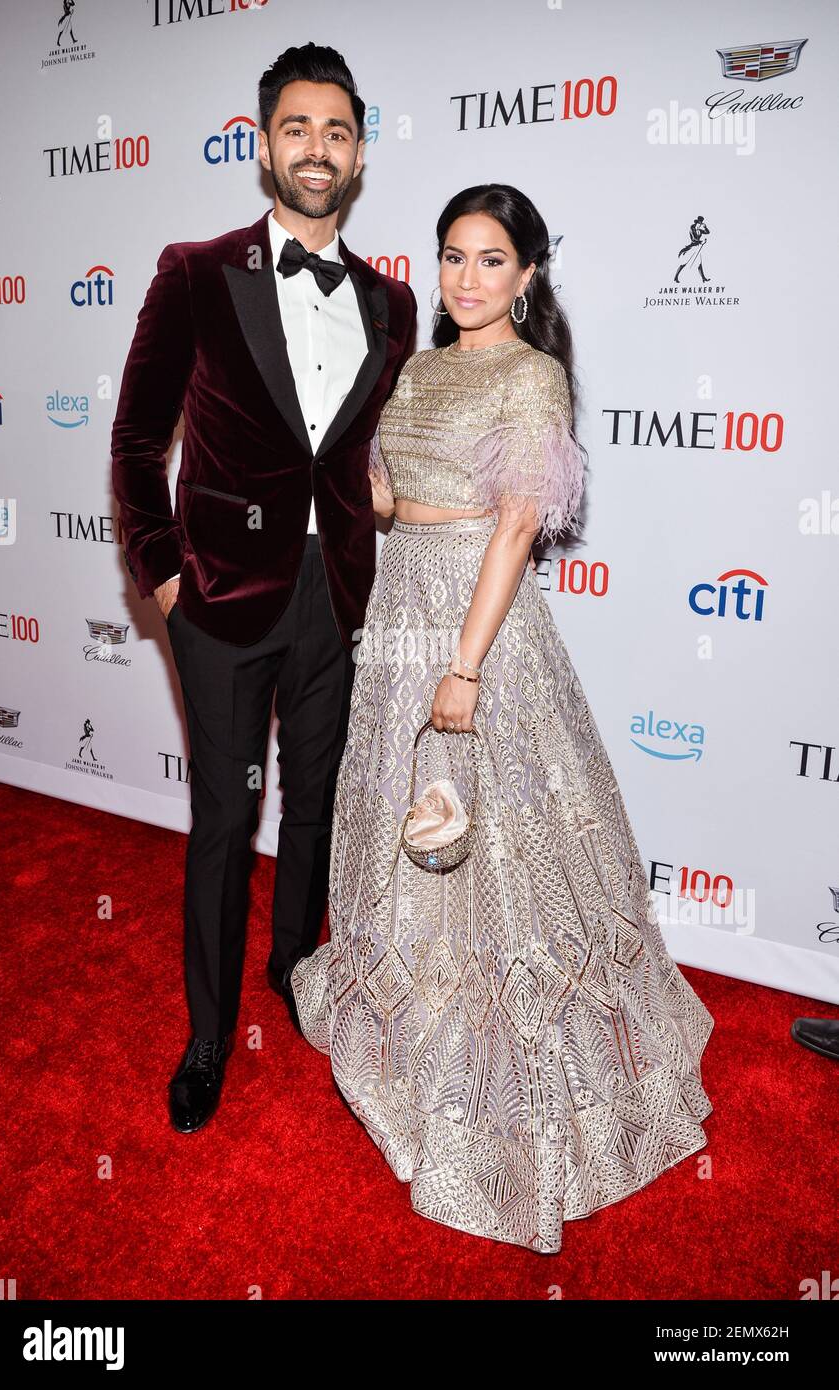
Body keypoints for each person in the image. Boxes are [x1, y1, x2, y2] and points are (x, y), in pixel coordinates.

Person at [290, 184, 715, 1255]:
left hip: (478, 622)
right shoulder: (417, 369)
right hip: (400, 599)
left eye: (489, 260)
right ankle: (412, 1012)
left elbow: (517, 523)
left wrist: (465, 669)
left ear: (527, 276)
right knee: (407, 817)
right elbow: (385, 500)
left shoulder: (531, 380)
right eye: (450, 257)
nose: (465, 278)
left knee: (496, 833)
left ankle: (519, 1054)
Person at [110, 43, 417, 1133]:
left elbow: (367, 451)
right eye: (297, 129)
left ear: (359, 151)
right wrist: (159, 574)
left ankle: (297, 971)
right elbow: (139, 437)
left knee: (318, 804)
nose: (316, 149)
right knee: (222, 817)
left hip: (332, 595)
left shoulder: (391, 302)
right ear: (261, 145)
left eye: (336, 131)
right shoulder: (196, 271)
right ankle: (203, 1035)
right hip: (221, 598)